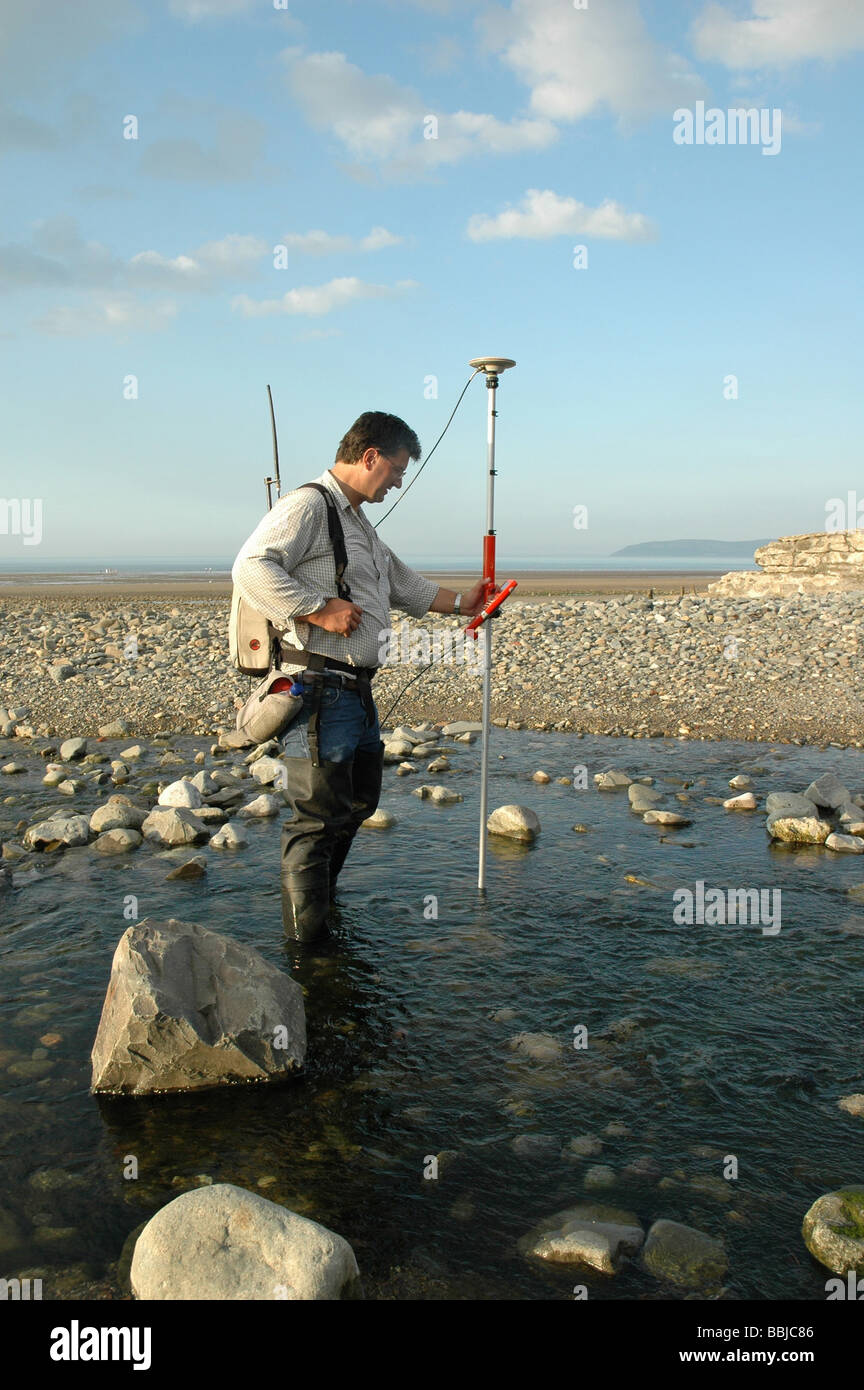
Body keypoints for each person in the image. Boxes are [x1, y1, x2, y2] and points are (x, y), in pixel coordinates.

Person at [231, 410, 486, 942]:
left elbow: (402, 583)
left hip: (357, 692)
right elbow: (251, 566)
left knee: (356, 805)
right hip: (319, 688)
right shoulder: (307, 505)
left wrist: (465, 603)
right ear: (369, 456)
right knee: (317, 819)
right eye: (395, 469)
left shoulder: (357, 522)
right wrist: (317, 608)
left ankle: (322, 907)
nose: (398, 481)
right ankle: (308, 952)